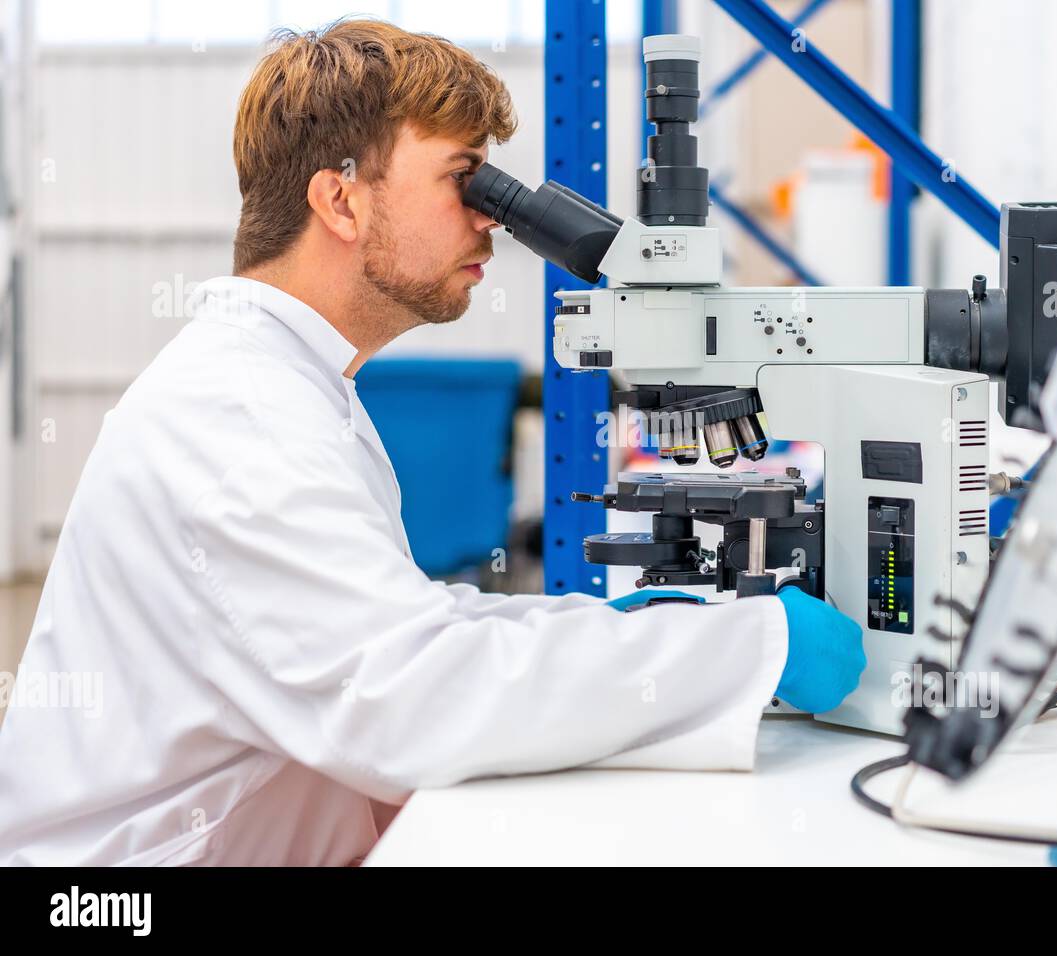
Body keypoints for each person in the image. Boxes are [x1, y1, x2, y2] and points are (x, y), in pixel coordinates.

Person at [0, 19, 864, 866]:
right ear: (340, 198)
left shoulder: (291, 381)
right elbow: (408, 697)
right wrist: (751, 647)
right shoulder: (239, 418)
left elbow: (406, 626)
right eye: (464, 180)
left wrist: (620, 629)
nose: (489, 219)